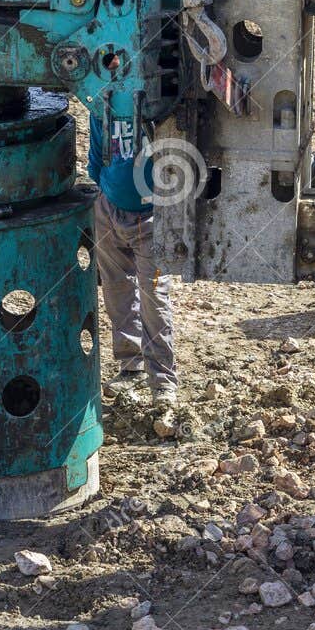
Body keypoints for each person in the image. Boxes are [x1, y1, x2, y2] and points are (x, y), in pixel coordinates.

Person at [87, 114, 178, 421]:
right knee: (116, 287)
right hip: (109, 208)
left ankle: (163, 382)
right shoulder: (102, 102)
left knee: (154, 296)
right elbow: (96, 155)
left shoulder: (159, 104)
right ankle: (131, 366)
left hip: (151, 216)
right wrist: (107, 192)